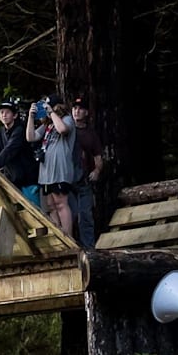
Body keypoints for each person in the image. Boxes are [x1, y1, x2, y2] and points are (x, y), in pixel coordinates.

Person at [28, 94, 78, 237]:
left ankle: (68, 237)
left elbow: (62, 129)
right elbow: (30, 137)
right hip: (46, 172)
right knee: (50, 205)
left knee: (61, 202)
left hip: (60, 169)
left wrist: (51, 112)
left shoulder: (67, 119)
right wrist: (31, 117)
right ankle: (58, 236)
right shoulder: (47, 126)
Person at [0, 99, 40, 203]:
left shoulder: (20, 129)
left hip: (28, 180)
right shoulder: (1, 132)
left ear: (15, 115)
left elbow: (9, 150)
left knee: (35, 212)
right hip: (14, 180)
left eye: (7, 112)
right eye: (2, 112)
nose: (4, 115)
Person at [71, 97, 105, 249]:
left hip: (84, 179)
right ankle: (70, 248)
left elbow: (98, 156)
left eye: (80, 109)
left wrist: (97, 170)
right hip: (66, 180)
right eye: (74, 108)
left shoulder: (91, 134)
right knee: (68, 215)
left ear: (86, 112)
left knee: (85, 216)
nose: (76, 111)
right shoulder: (65, 128)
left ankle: (89, 250)